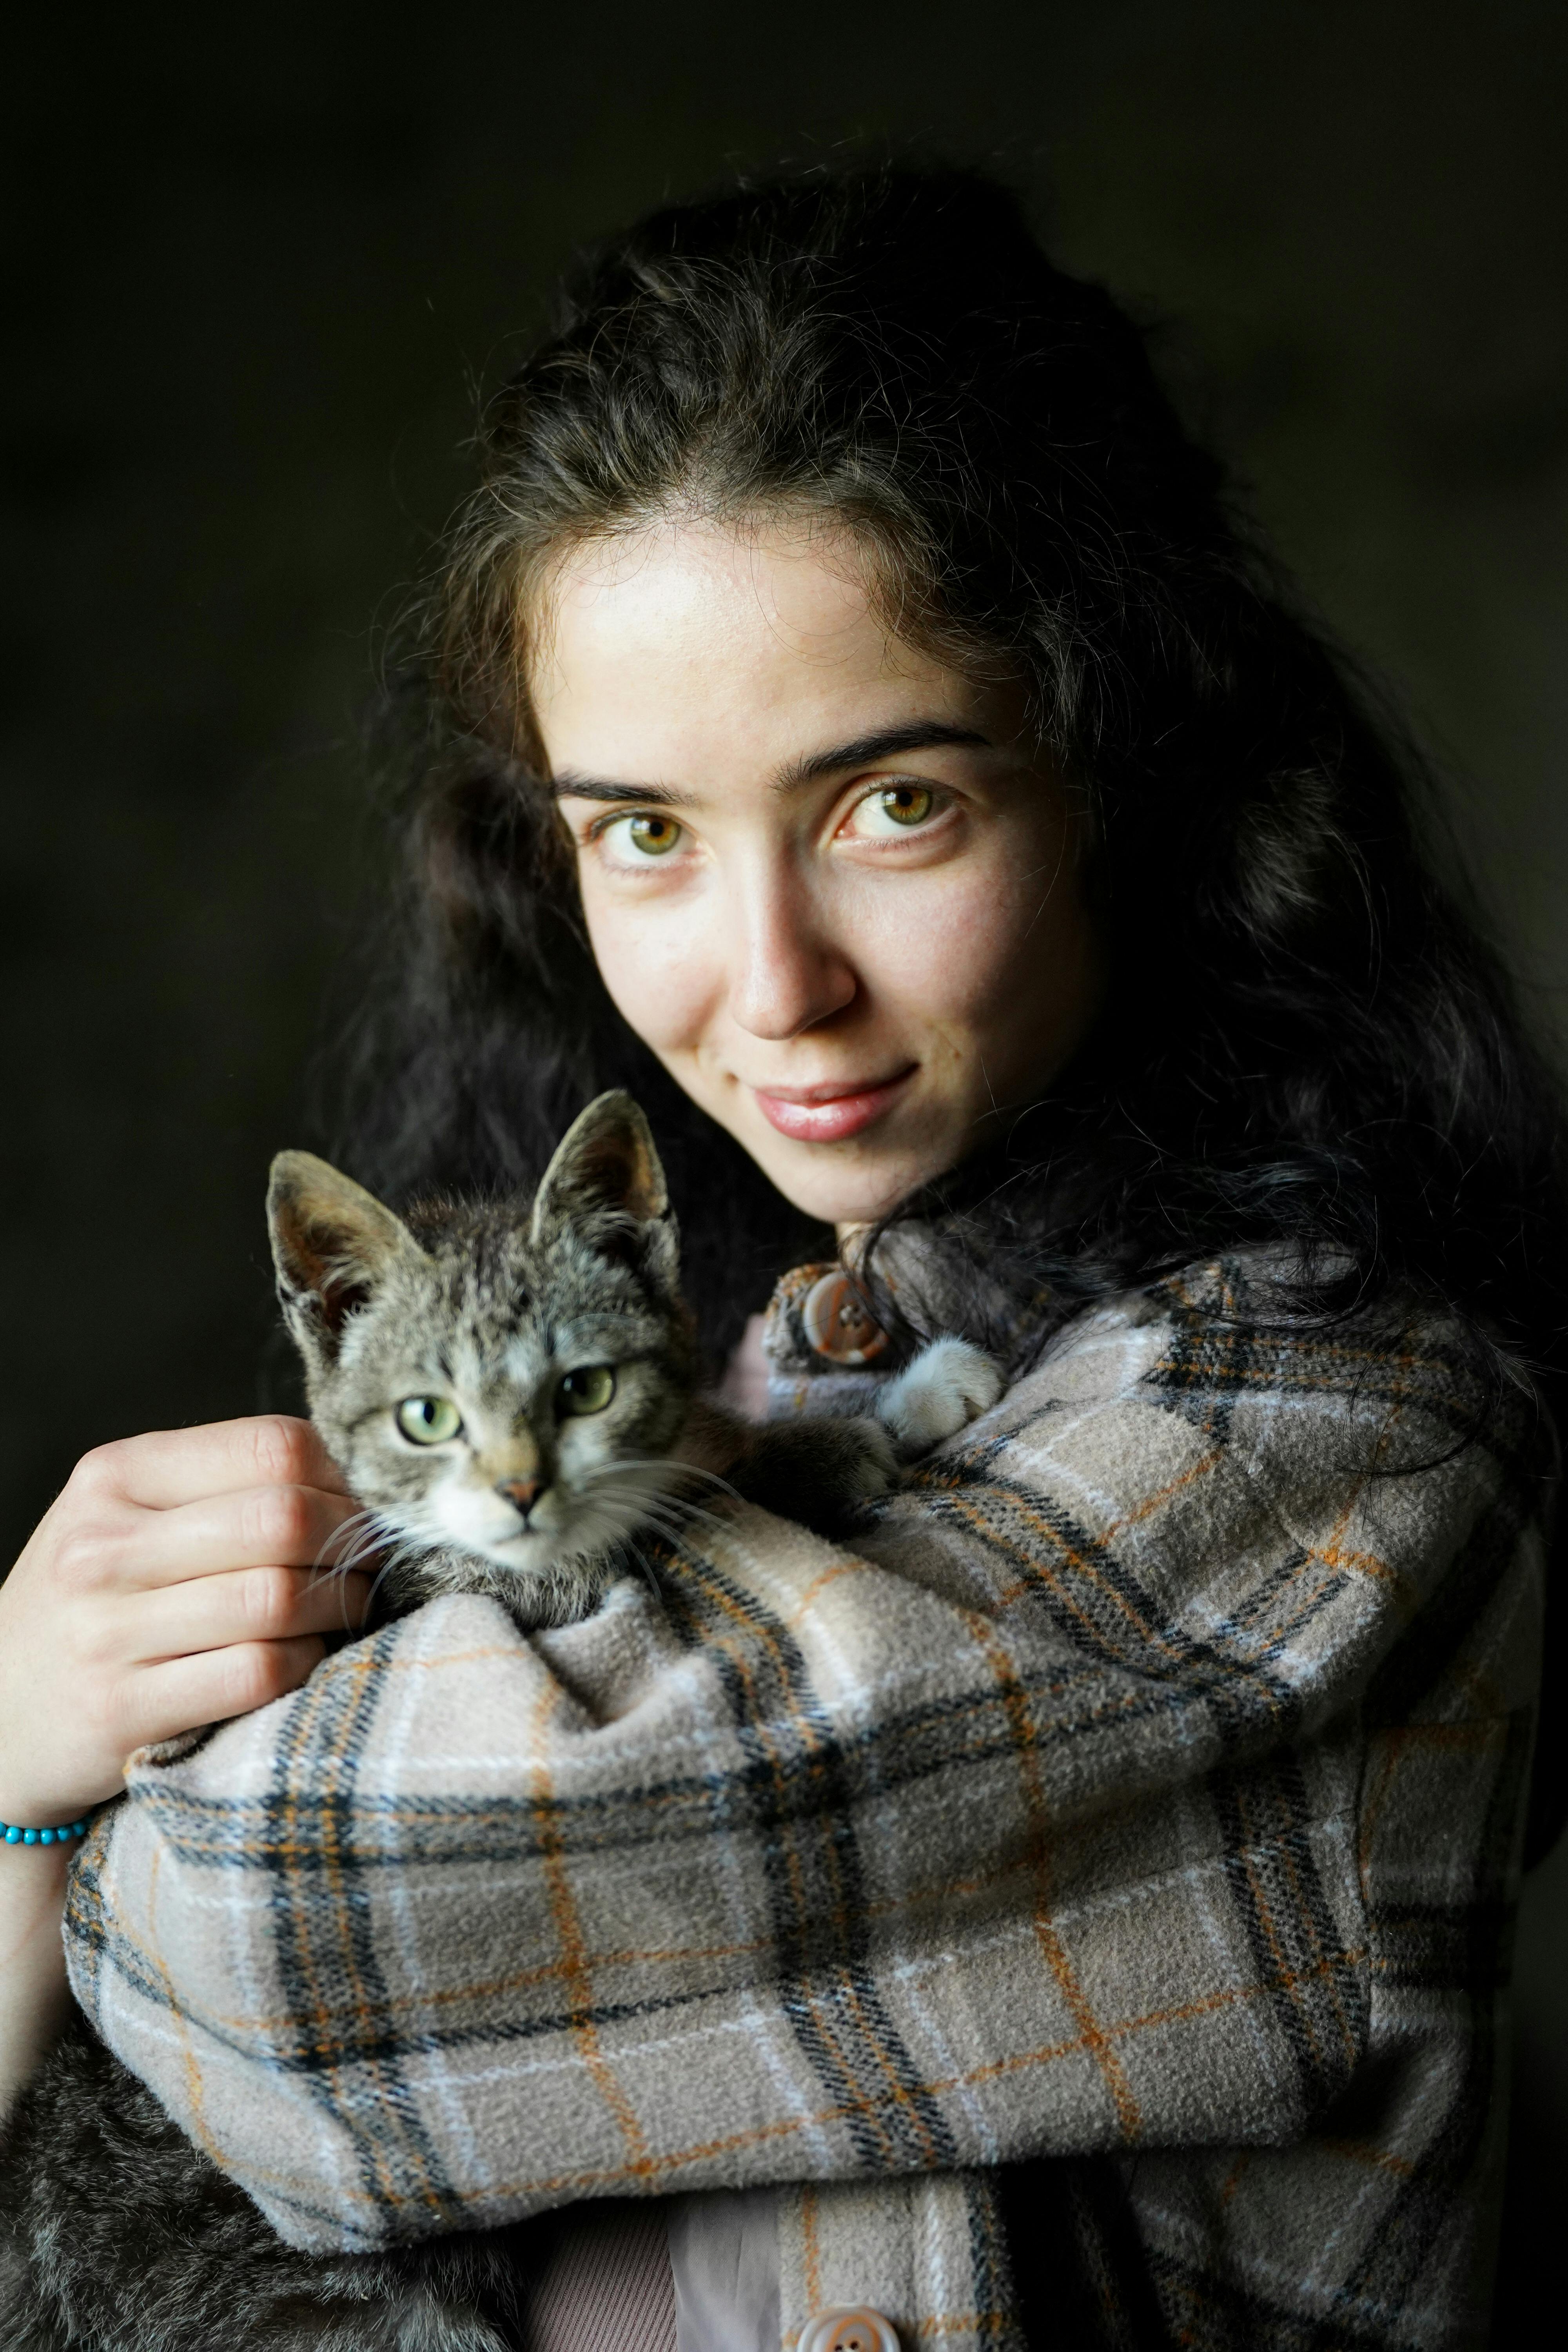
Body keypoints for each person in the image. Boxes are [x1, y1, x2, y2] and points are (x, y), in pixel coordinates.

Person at [1, 165, 1561, 2351]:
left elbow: (270, 1944)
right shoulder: (764, 1355)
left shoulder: (1344, 1449)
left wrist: (50, 1797)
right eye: (643, 828)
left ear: (1129, 771)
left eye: (891, 802)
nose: (769, 984)